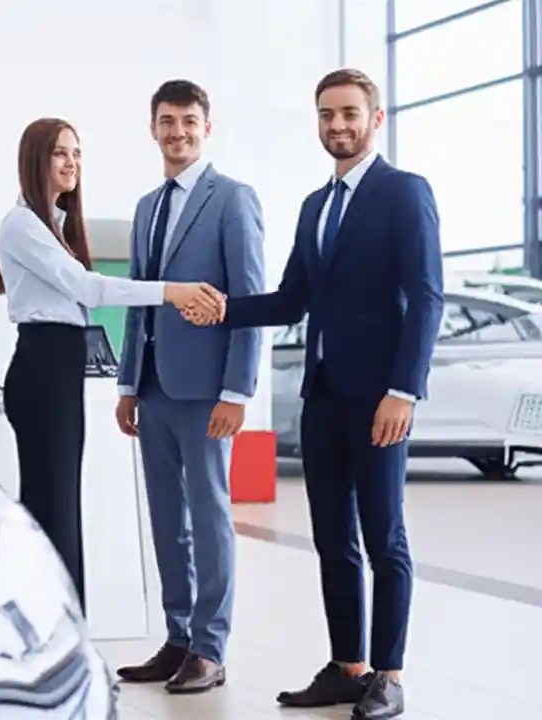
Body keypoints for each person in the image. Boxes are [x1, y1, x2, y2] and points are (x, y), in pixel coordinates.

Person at [199, 68, 442, 720]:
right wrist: (218, 308)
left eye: (348, 114)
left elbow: (426, 297)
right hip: (324, 398)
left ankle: (388, 674)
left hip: (380, 401)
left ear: (375, 118)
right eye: (326, 115)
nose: (337, 126)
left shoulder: (403, 193)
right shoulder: (314, 207)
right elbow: (291, 299)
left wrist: (404, 390)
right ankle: (347, 666)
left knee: (384, 538)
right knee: (333, 540)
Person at [0, 117, 225, 613]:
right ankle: (58, 625)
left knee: (58, 503)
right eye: (60, 153)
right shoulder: (22, 224)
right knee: (52, 505)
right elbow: (89, 290)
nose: (71, 163)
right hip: (41, 368)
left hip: (57, 367)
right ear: (35, 159)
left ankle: (56, 622)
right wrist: (173, 292)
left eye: (76, 153)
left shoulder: (52, 224)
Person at [112, 80, 265, 695]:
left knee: (209, 517)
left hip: (206, 391)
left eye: (189, 121)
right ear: (153, 128)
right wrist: (128, 381)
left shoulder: (232, 199)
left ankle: (210, 646)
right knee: (166, 517)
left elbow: (248, 299)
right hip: (152, 387)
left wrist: (237, 391)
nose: (178, 132)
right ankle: (177, 638)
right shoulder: (147, 206)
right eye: (167, 121)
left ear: (207, 126)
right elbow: (138, 301)